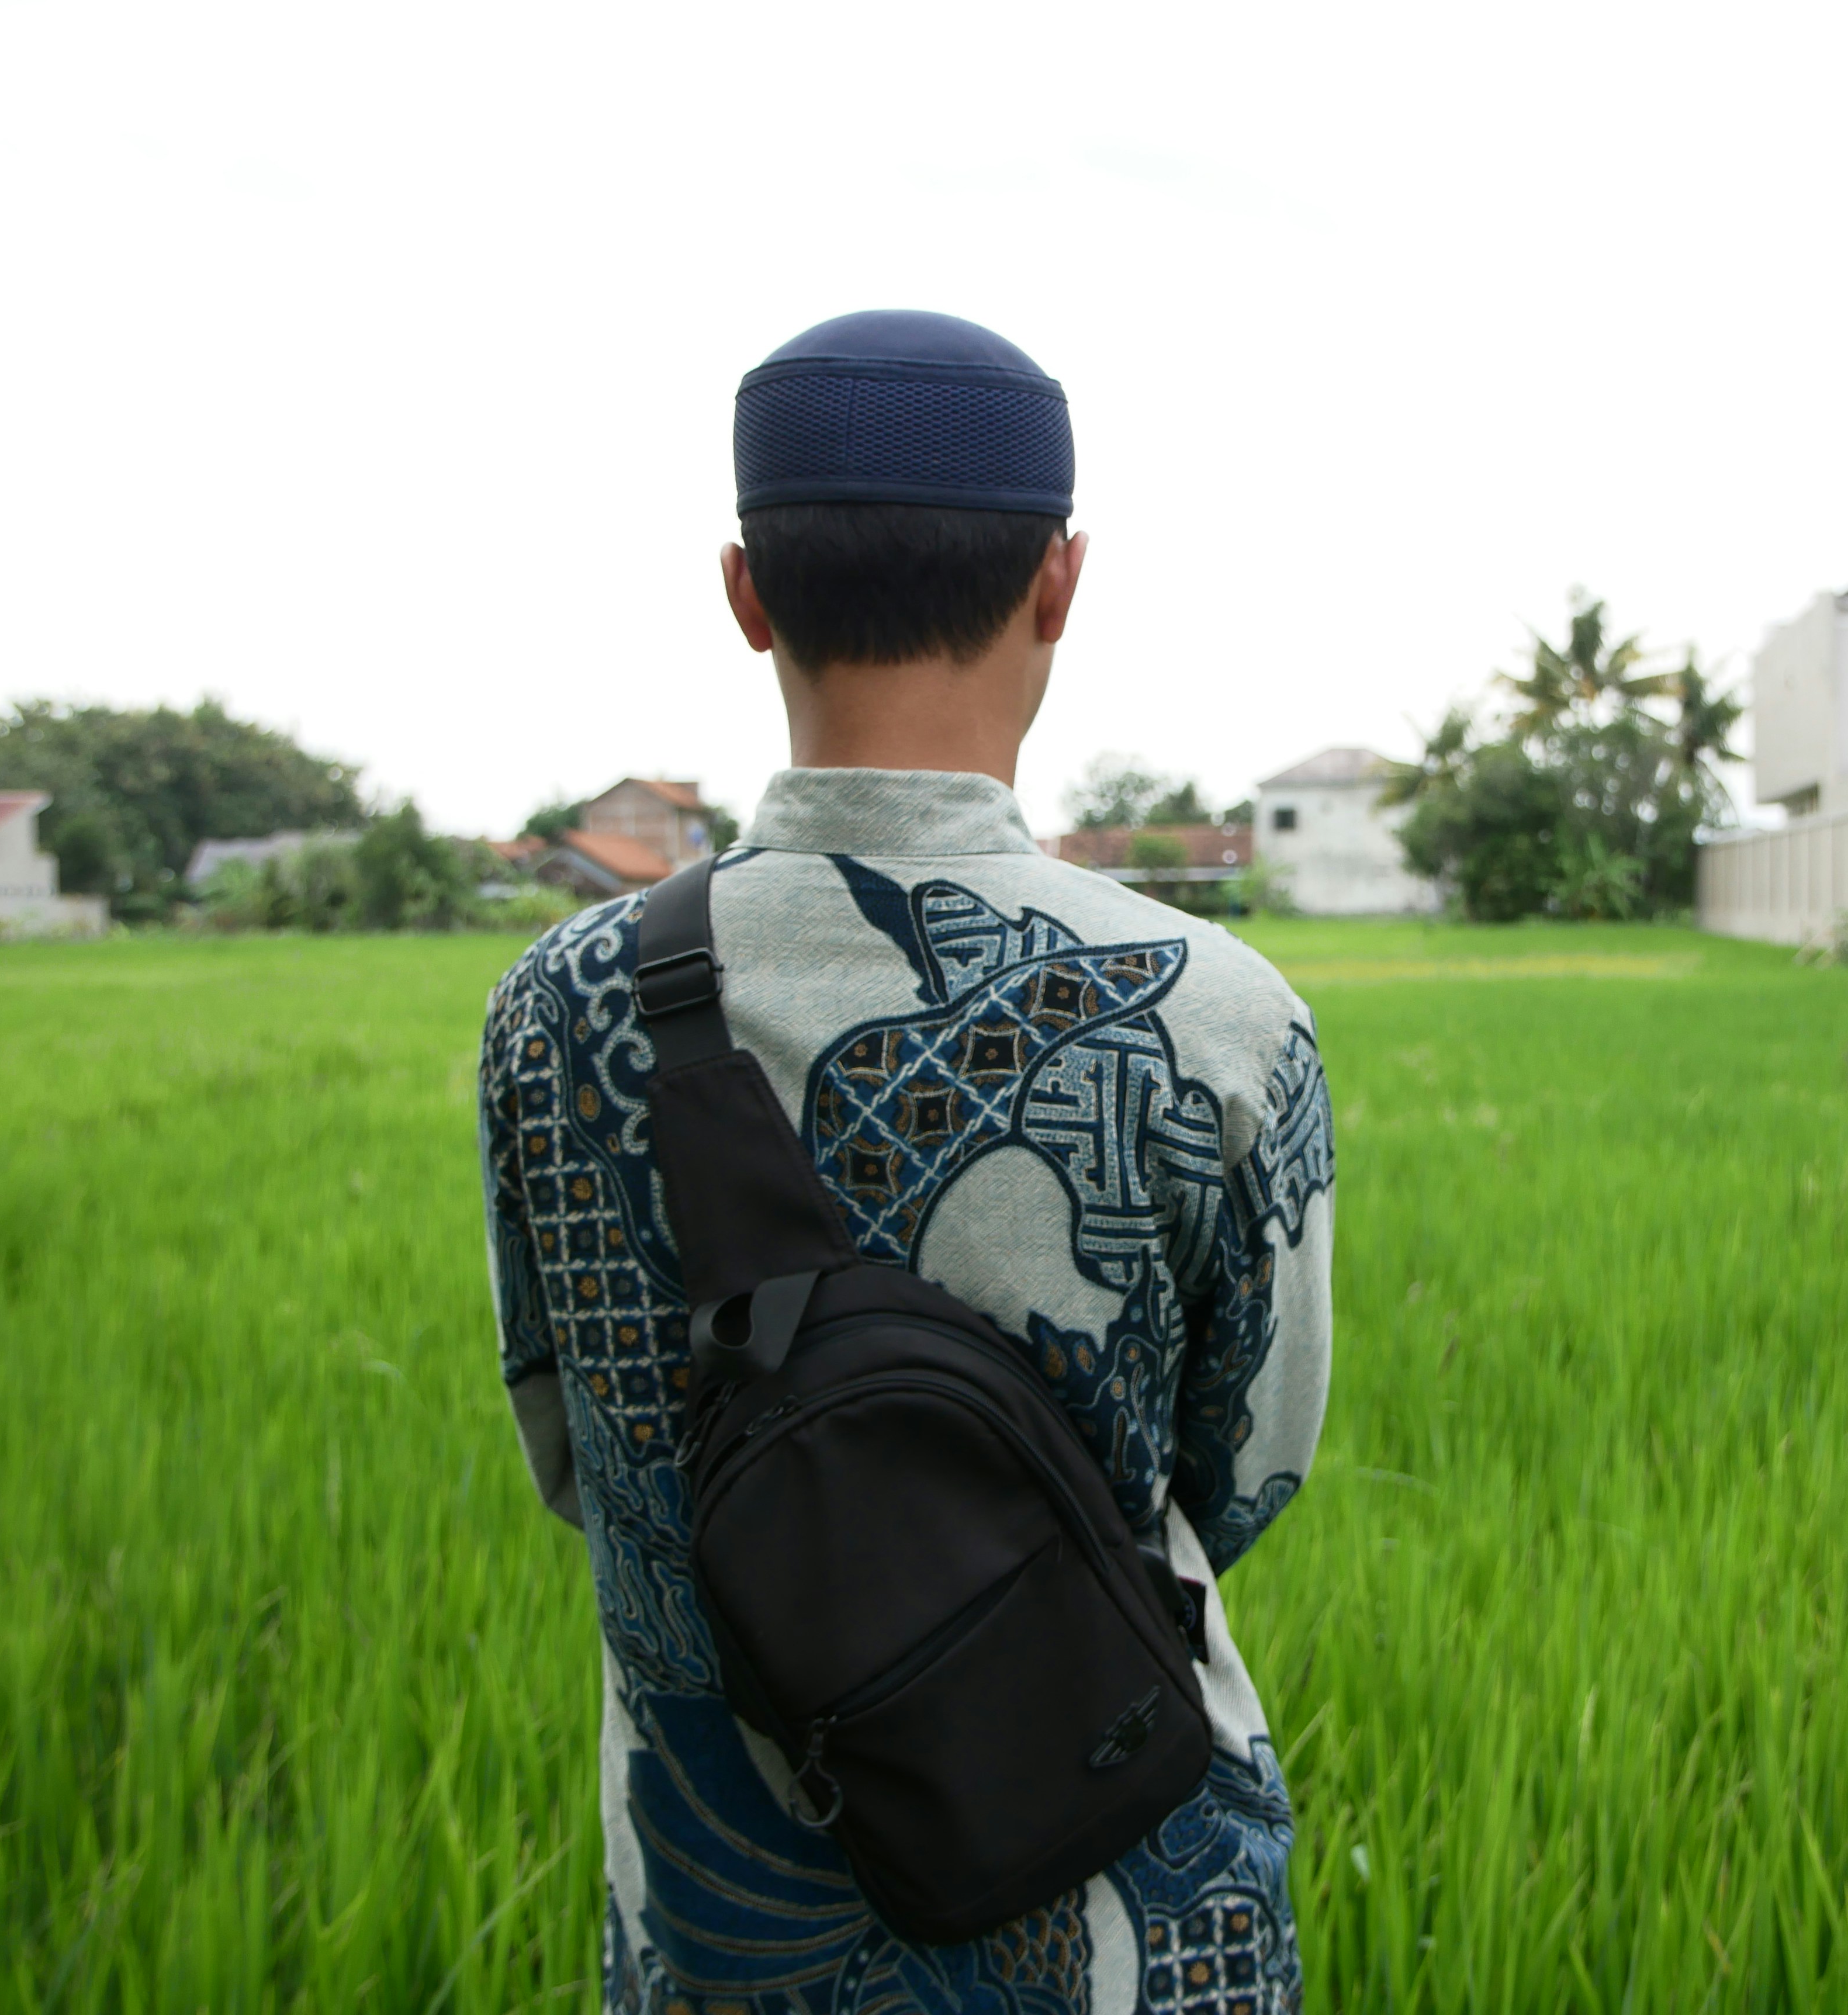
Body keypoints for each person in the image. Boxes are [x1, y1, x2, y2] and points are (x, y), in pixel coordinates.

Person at [477, 310, 1334, 2013]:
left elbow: (581, 1459)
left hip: (723, 1937)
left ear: (746, 591)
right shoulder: (1220, 1017)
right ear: (1060, 582)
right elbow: (1241, 1478)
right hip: (1132, 1907)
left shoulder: (557, 1015)